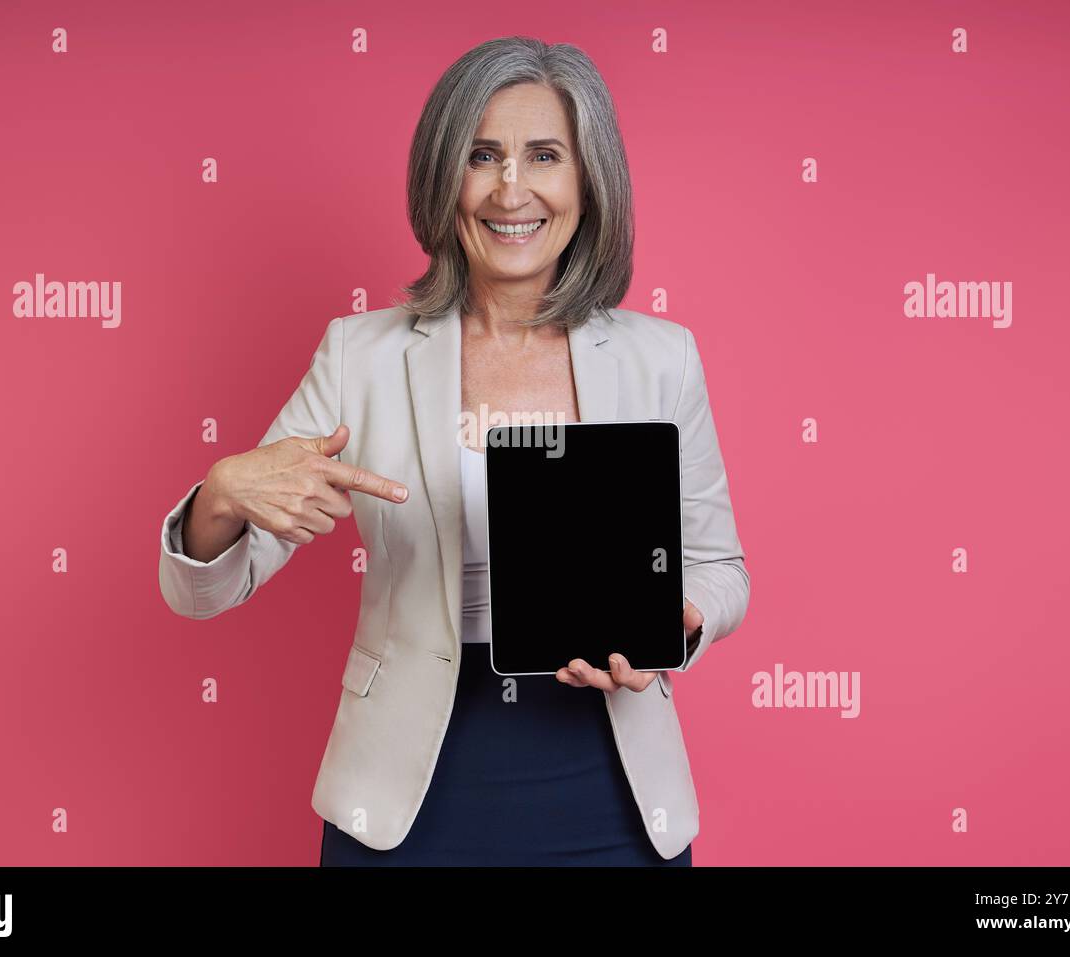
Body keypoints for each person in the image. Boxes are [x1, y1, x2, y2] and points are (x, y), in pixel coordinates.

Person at [158, 36, 750, 866]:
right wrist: (219, 497)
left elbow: (722, 568)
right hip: (407, 790)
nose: (513, 188)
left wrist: (671, 627)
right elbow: (208, 589)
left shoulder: (663, 357)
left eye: (544, 155)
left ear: (588, 180)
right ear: (445, 177)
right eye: (482, 156)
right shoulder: (358, 355)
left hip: (607, 781)